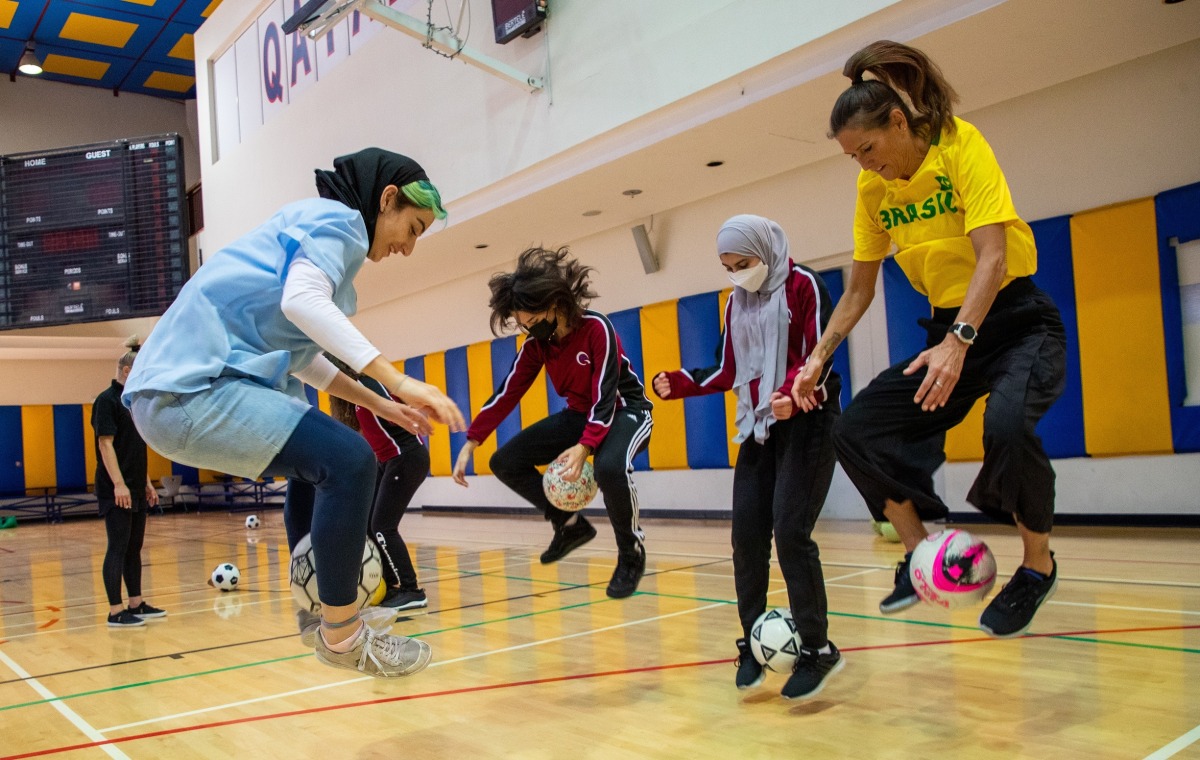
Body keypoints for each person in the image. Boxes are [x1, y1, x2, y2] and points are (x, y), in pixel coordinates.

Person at [124, 148, 465, 677]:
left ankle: (320, 616)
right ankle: (343, 635)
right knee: (350, 460)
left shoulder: (318, 233)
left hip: (175, 398)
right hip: (187, 394)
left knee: (320, 464)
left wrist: (380, 403)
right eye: (413, 228)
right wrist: (397, 378)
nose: (410, 247)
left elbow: (304, 359)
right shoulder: (341, 223)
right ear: (387, 199)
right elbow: (302, 304)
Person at [792, 41, 1067, 638]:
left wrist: (960, 340)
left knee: (1009, 425)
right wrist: (816, 358)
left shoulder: (959, 143)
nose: (865, 165)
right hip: (950, 328)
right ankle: (922, 557)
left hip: (1016, 319)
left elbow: (992, 256)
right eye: (852, 157)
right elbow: (860, 291)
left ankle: (1038, 567)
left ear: (897, 121)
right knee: (858, 430)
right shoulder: (874, 193)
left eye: (868, 149)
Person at [651, 215, 844, 699]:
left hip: (809, 421)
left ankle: (818, 649)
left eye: (744, 263)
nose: (738, 274)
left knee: (791, 532)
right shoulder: (736, 302)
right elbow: (728, 368)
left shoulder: (805, 286)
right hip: (760, 428)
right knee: (747, 537)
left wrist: (796, 392)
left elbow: (821, 352)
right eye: (728, 267)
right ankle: (754, 643)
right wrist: (682, 382)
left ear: (768, 250)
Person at [451, 247, 654, 599]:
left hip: (626, 410)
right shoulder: (537, 346)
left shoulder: (596, 328)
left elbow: (606, 395)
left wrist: (586, 445)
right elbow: (508, 392)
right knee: (505, 461)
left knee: (609, 468)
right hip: (580, 414)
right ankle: (569, 524)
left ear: (553, 303)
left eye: (531, 320)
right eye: (523, 325)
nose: (529, 329)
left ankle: (630, 555)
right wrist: (471, 441)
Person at [327, 356, 430, 612]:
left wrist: (416, 411)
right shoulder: (354, 396)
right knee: (369, 524)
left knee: (383, 526)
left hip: (405, 457)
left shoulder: (369, 383)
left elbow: (394, 407)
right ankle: (389, 582)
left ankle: (412, 590)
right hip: (387, 461)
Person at [94, 337, 165, 628]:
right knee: (118, 546)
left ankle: (136, 603)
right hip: (116, 489)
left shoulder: (133, 402)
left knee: (134, 547)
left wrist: (145, 482)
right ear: (126, 372)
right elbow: (106, 445)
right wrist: (119, 485)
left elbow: (135, 446)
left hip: (136, 485)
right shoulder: (106, 401)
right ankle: (115, 611)